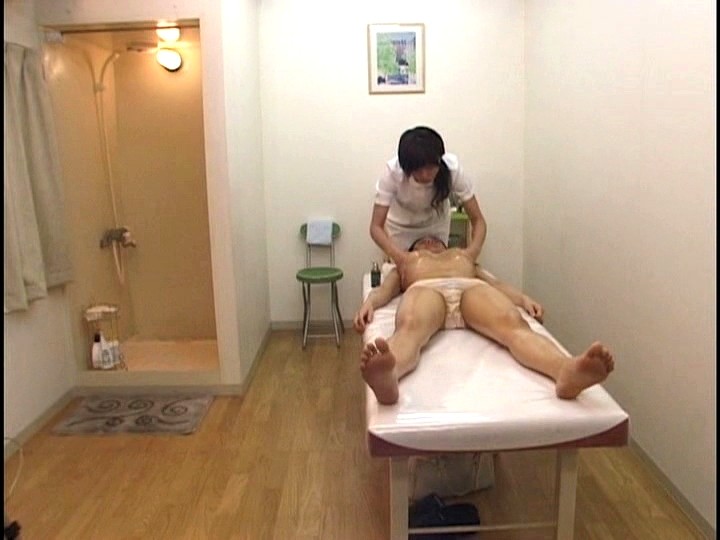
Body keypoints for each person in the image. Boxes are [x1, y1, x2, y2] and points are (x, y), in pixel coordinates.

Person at [353, 235, 614, 405]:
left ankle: (564, 371)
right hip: (425, 289)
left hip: (471, 289)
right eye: (423, 241)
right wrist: (369, 304)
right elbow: (385, 290)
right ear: (413, 248)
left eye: (435, 240)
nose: (430, 242)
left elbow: (496, 283)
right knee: (410, 329)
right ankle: (389, 375)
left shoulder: (463, 257)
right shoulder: (405, 263)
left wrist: (523, 299)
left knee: (514, 325)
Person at [369, 126, 488, 276]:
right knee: (406, 274)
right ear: (406, 168)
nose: (425, 175)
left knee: (440, 269)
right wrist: (399, 258)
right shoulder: (392, 174)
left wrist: (471, 254)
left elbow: (478, 220)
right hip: (401, 226)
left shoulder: (452, 170)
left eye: (431, 168)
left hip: (436, 223)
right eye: (418, 171)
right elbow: (376, 227)